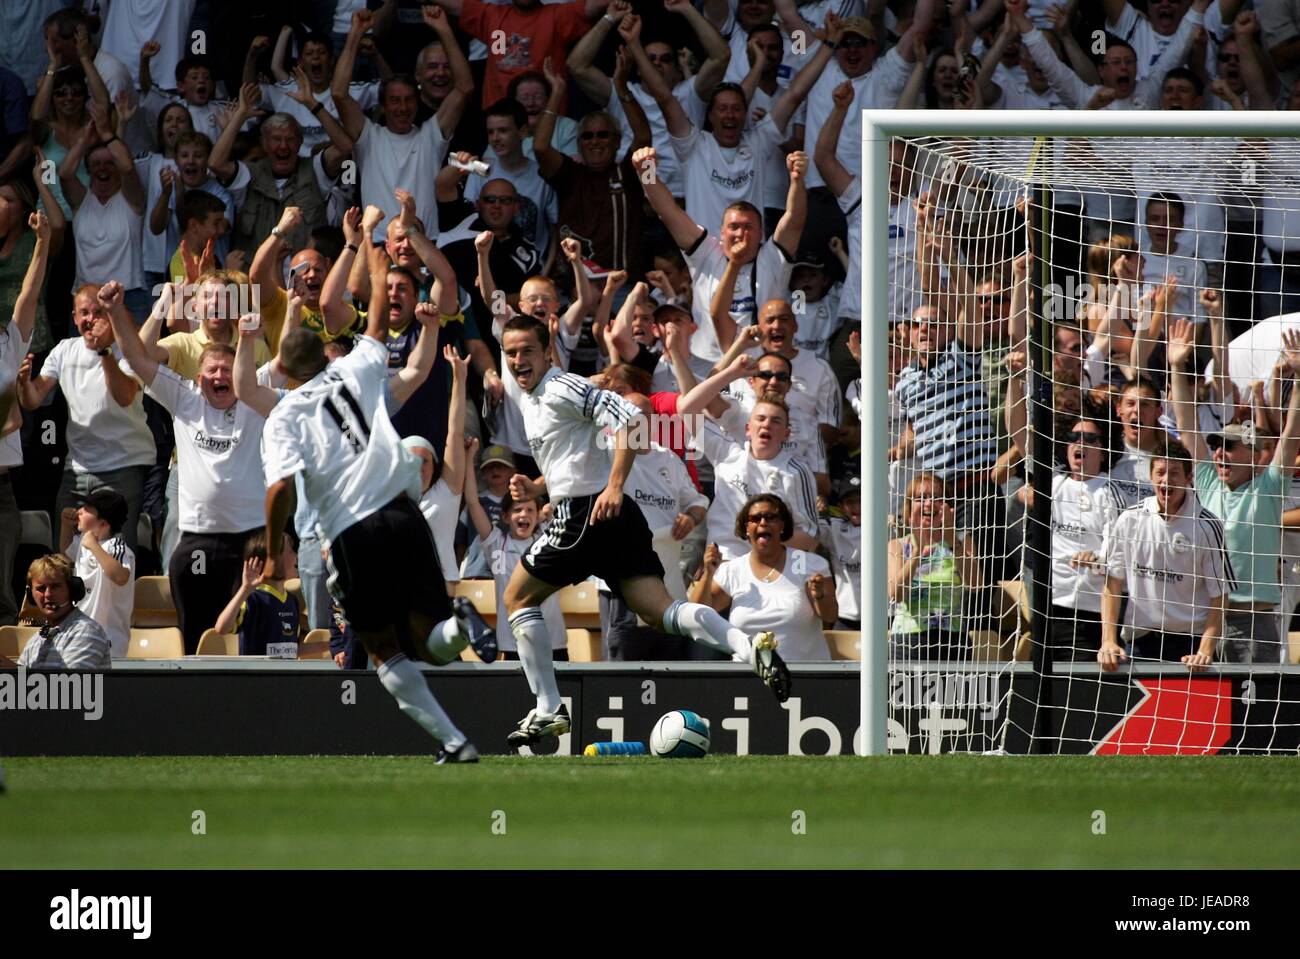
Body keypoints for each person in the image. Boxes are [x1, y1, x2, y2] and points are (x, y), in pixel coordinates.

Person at [497, 312, 792, 747]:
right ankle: (750, 650)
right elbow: (578, 457)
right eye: (510, 353)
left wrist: (614, 485)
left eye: (527, 350)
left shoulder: (561, 386)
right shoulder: (535, 398)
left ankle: (548, 708)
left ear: (548, 352)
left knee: (517, 596)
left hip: (587, 513)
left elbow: (632, 421)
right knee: (662, 612)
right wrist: (538, 488)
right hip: (609, 516)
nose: (519, 359)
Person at [260, 238, 493, 763]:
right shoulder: (355, 370)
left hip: (352, 531)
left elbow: (280, 488)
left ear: (284, 369)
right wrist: (373, 245)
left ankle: (455, 742)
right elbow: (377, 327)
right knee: (434, 640)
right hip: (403, 512)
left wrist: (275, 548)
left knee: (384, 649)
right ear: (323, 355)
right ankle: (463, 626)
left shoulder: (284, 417)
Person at [102, 279, 266, 654]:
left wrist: (256, 333)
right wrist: (114, 312)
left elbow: (288, 361)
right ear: (198, 378)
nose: (221, 377)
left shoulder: (255, 399)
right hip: (197, 541)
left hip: (249, 540)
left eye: (228, 370)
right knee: (196, 641)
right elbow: (138, 361)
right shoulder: (185, 399)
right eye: (213, 371)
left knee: (251, 643)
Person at [1168, 319, 1300, 664]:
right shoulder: (1210, 483)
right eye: (1217, 446)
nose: (1219, 453)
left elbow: (1290, 436)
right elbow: (1185, 424)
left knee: (1253, 717)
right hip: (1203, 621)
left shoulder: (1269, 487)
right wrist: (1177, 366)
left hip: (1252, 622)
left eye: (1230, 446)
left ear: (1255, 455)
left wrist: (1299, 378)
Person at [635, 144, 807, 373]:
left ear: (761, 233)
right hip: (705, 365)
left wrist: (797, 179)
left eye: (748, 227)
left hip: (760, 366)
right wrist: (646, 170)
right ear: (722, 232)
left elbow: (794, 218)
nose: (740, 234)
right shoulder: (705, 252)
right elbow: (667, 212)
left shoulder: (773, 257)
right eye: (734, 227)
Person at [14, 283, 154, 553]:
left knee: (117, 557)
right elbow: (33, 399)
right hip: (76, 472)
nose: (91, 319)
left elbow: (124, 396)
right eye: (84, 313)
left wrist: (105, 352)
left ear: (111, 314)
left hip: (122, 468)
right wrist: (23, 381)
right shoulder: (65, 350)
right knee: (63, 559)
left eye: (98, 312)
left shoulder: (128, 349)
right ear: (74, 318)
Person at [566, 0, 730, 202]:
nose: (657, 64)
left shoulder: (690, 93)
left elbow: (721, 56)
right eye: (650, 59)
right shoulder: (622, 91)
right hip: (635, 198)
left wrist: (687, 9)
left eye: (665, 59)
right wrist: (608, 19)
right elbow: (577, 65)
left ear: (678, 67)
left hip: (685, 199)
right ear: (639, 67)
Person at [1101, 436, 1234, 671]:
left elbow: (1220, 596)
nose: (1166, 480)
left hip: (1190, 647)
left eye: (1174, 473)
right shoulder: (1130, 519)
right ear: (1150, 477)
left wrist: (1205, 650)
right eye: (1160, 472)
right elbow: (1112, 584)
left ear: (1188, 478)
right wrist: (1109, 640)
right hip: (1139, 644)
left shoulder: (1206, 525)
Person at [332, 10, 464, 242]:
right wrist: (355, 34)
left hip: (425, 245)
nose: (402, 108)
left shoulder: (430, 135)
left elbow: (464, 88)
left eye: (408, 100)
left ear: (417, 101)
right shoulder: (369, 137)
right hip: (379, 245)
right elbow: (338, 93)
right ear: (382, 106)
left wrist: (443, 29)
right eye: (394, 100)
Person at [676, 356, 820, 558]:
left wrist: (765, 537)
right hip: (722, 564)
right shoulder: (726, 454)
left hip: (770, 570)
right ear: (747, 429)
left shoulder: (796, 471)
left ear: (786, 434)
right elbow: (686, 408)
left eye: (776, 421)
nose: (766, 425)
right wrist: (731, 373)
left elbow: (811, 536)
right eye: (760, 419)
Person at [692, 494, 835, 662]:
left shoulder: (806, 563)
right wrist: (708, 573)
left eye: (771, 517)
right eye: (755, 518)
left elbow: (830, 616)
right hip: (747, 677)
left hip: (802, 676)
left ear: (782, 525)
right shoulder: (733, 569)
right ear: (746, 528)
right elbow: (698, 615)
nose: (763, 522)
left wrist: (818, 595)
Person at [463, 437, 565, 660]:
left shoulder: (549, 538)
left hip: (553, 642)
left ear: (538, 516)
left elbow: (564, 486)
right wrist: (470, 457)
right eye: (518, 510)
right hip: (512, 644)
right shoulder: (495, 543)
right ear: (506, 517)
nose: (524, 515)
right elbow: (472, 501)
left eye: (530, 510)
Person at [0, 211, 51, 626]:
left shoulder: (6, 345)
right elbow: (11, 421)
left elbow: (28, 296)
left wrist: (42, 243)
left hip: (2, 489)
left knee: (2, 591)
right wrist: (9, 418)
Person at [431, 0, 609, 108]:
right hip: (500, 127)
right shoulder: (491, 16)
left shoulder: (557, 15)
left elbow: (596, 5)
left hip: (546, 123)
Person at [887, 472, 983, 661]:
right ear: (909, 507)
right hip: (907, 642)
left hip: (953, 641)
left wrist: (951, 539)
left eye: (937, 498)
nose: (929, 503)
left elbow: (976, 585)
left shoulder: (962, 540)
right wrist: (917, 551)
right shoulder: (898, 545)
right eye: (921, 498)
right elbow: (895, 594)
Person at [59, 488, 135, 658]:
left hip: (109, 639)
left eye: (86, 509)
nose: (79, 511)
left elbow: (121, 576)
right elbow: (65, 550)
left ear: (103, 523)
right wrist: (65, 525)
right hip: (81, 632)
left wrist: (94, 546)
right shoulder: (84, 542)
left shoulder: (115, 546)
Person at [214, 530, 302, 657]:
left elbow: (294, 649)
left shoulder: (292, 601)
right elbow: (221, 628)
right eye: (290, 551)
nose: (296, 555)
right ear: (273, 561)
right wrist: (244, 589)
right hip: (257, 677)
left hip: (284, 677)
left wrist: (333, 645)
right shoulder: (252, 599)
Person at [15, 554, 112, 669]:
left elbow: (71, 684)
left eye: (55, 586)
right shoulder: (36, 640)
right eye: (41, 588)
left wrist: (14, 671)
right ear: (31, 595)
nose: (48, 594)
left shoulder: (86, 631)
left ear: (71, 590)